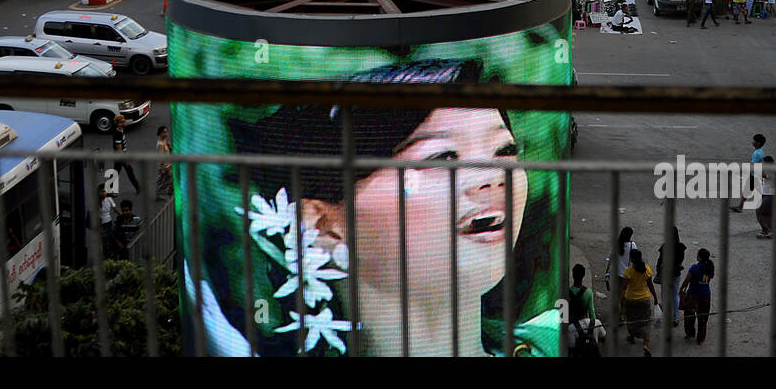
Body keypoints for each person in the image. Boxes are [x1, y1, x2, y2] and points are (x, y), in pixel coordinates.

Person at [221, 59, 549, 357]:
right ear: (321, 223)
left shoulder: (545, 340)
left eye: (504, 150)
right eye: (443, 158)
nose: (493, 178)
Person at [622, 248, 659, 355]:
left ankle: (632, 336)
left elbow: (623, 288)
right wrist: (655, 298)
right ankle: (646, 345)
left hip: (631, 300)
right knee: (646, 322)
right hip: (644, 300)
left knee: (631, 320)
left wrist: (621, 302)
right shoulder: (646, 269)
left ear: (632, 259)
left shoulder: (628, 271)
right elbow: (650, 285)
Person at [567, 264, 605, 354]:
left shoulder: (567, 292)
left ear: (573, 275)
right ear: (583, 276)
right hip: (587, 325)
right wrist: (594, 324)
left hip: (571, 324)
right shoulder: (588, 293)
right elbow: (592, 312)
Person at [680, 249, 715, 344]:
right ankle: (700, 338)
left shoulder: (694, 267)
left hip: (693, 295)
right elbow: (711, 277)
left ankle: (690, 333)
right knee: (703, 318)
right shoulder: (710, 266)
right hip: (705, 295)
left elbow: (687, 280)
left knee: (689, 315)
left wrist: (681, 289)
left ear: (699, 257)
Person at [655, 227, 687, 328]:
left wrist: (658, 271)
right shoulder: (681, 247)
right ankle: (675, 318)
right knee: (675, 296)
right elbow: (680, 260)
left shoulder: (665, 246)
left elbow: (660, 261)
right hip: (675, 274)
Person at [732, 134, 766, 212]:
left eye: (754, 140)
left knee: (750, 191)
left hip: (754, 176)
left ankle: (740, 207)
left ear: (758, 143)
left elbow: (753, 165)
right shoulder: (760, 151)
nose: (752, 142)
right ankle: (740, 206)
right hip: (757, 174)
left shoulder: (756, 153)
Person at [755, 156, 774, 238]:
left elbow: (764, 175)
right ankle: (770, 230)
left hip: (771, 195)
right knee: (767, 213)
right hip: (767, 193)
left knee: (759, 211)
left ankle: (766, 230)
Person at [98, 183, 118, 258]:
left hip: (109, 222)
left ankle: (108, 253)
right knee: (105, 240)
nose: (104, 193)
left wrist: (122, 215)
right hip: (102, 224)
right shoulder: (97, 202)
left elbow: (115, 209)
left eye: (105, 191)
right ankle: (106, 254)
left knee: (109, 238)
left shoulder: (109, 199)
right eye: (102, 191)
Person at [156, 125, 173, 199]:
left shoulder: (164, 141)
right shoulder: (160, 144)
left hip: (168, 164)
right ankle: (160, 193)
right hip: (165, 166)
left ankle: (163, 192)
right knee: (168, 180)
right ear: (160, 133)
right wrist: (162, 168)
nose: (166, 134)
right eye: (164, 132)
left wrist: (169, 146)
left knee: (167, 179)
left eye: (166, 132)